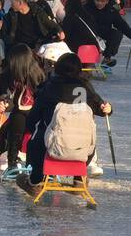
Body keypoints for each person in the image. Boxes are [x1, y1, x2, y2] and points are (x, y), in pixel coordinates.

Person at [18, 52, 112, 192]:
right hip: (83, 148)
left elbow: (34, 116)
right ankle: (77, 178)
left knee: (36, 141)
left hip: (53, 144)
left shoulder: (49, 87)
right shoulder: (84, 88)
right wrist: (108, 109)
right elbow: (101, 109)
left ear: (57, 68)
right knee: (82, 134)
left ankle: (35, 181)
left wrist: (28, 129)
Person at [0, 44, 46, 178]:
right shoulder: (10, 75)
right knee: (17, 118)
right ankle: (13, 160)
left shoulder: (41, 76)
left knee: (22, 118)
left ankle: (38, 161)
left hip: (39, 117)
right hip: (19, 117)